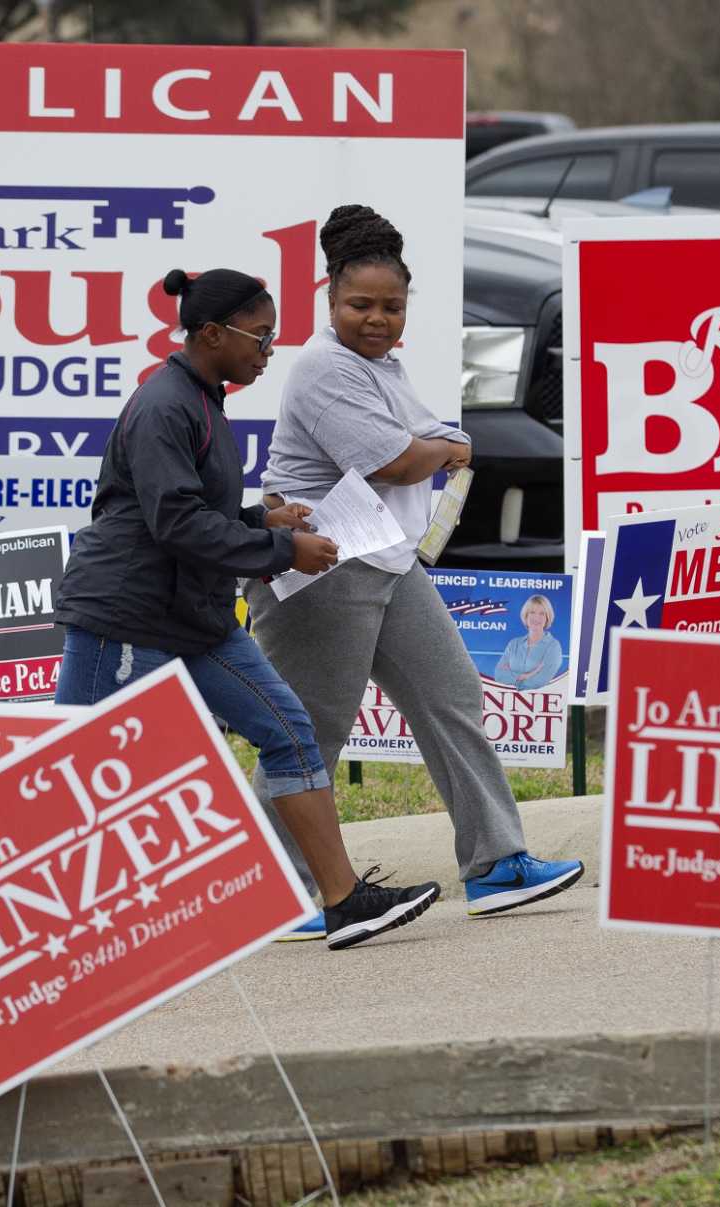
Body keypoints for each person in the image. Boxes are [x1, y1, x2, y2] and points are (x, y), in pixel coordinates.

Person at [52, 266, 441, 951]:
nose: (268, 352)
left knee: (289, 732)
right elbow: (173, 524)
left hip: (193, 615)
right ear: (211, 335)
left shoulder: (202, 401)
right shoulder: (164, 405)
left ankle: (344, 900)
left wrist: (261, 518)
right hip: (124, 615)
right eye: (260, 339)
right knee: (77, 780)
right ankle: (4, 919)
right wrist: (281, 547)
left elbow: (190, 516)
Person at [247, 205, 585, 939]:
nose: (376, 317)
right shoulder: (321, 368)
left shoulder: (382, 367)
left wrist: (437, 442)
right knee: (309, 734)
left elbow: (427, 435)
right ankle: (278, 890)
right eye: (358, 304)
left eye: (391, 306)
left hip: (388, 561)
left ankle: (496, 863)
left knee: (453, 695)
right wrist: (444, 449)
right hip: (322, 570)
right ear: (329, 298)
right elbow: (401, 458)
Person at [494, 594, 563, 690]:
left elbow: (541, 681)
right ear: (526, 616)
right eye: (532, 612)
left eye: (542, 613)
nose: (536, 617)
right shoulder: (514, 644)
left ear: (547, 617)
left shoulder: (553, 647)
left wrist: (513, 680)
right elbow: (499, 675)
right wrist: (528, 675)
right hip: (509, 700)